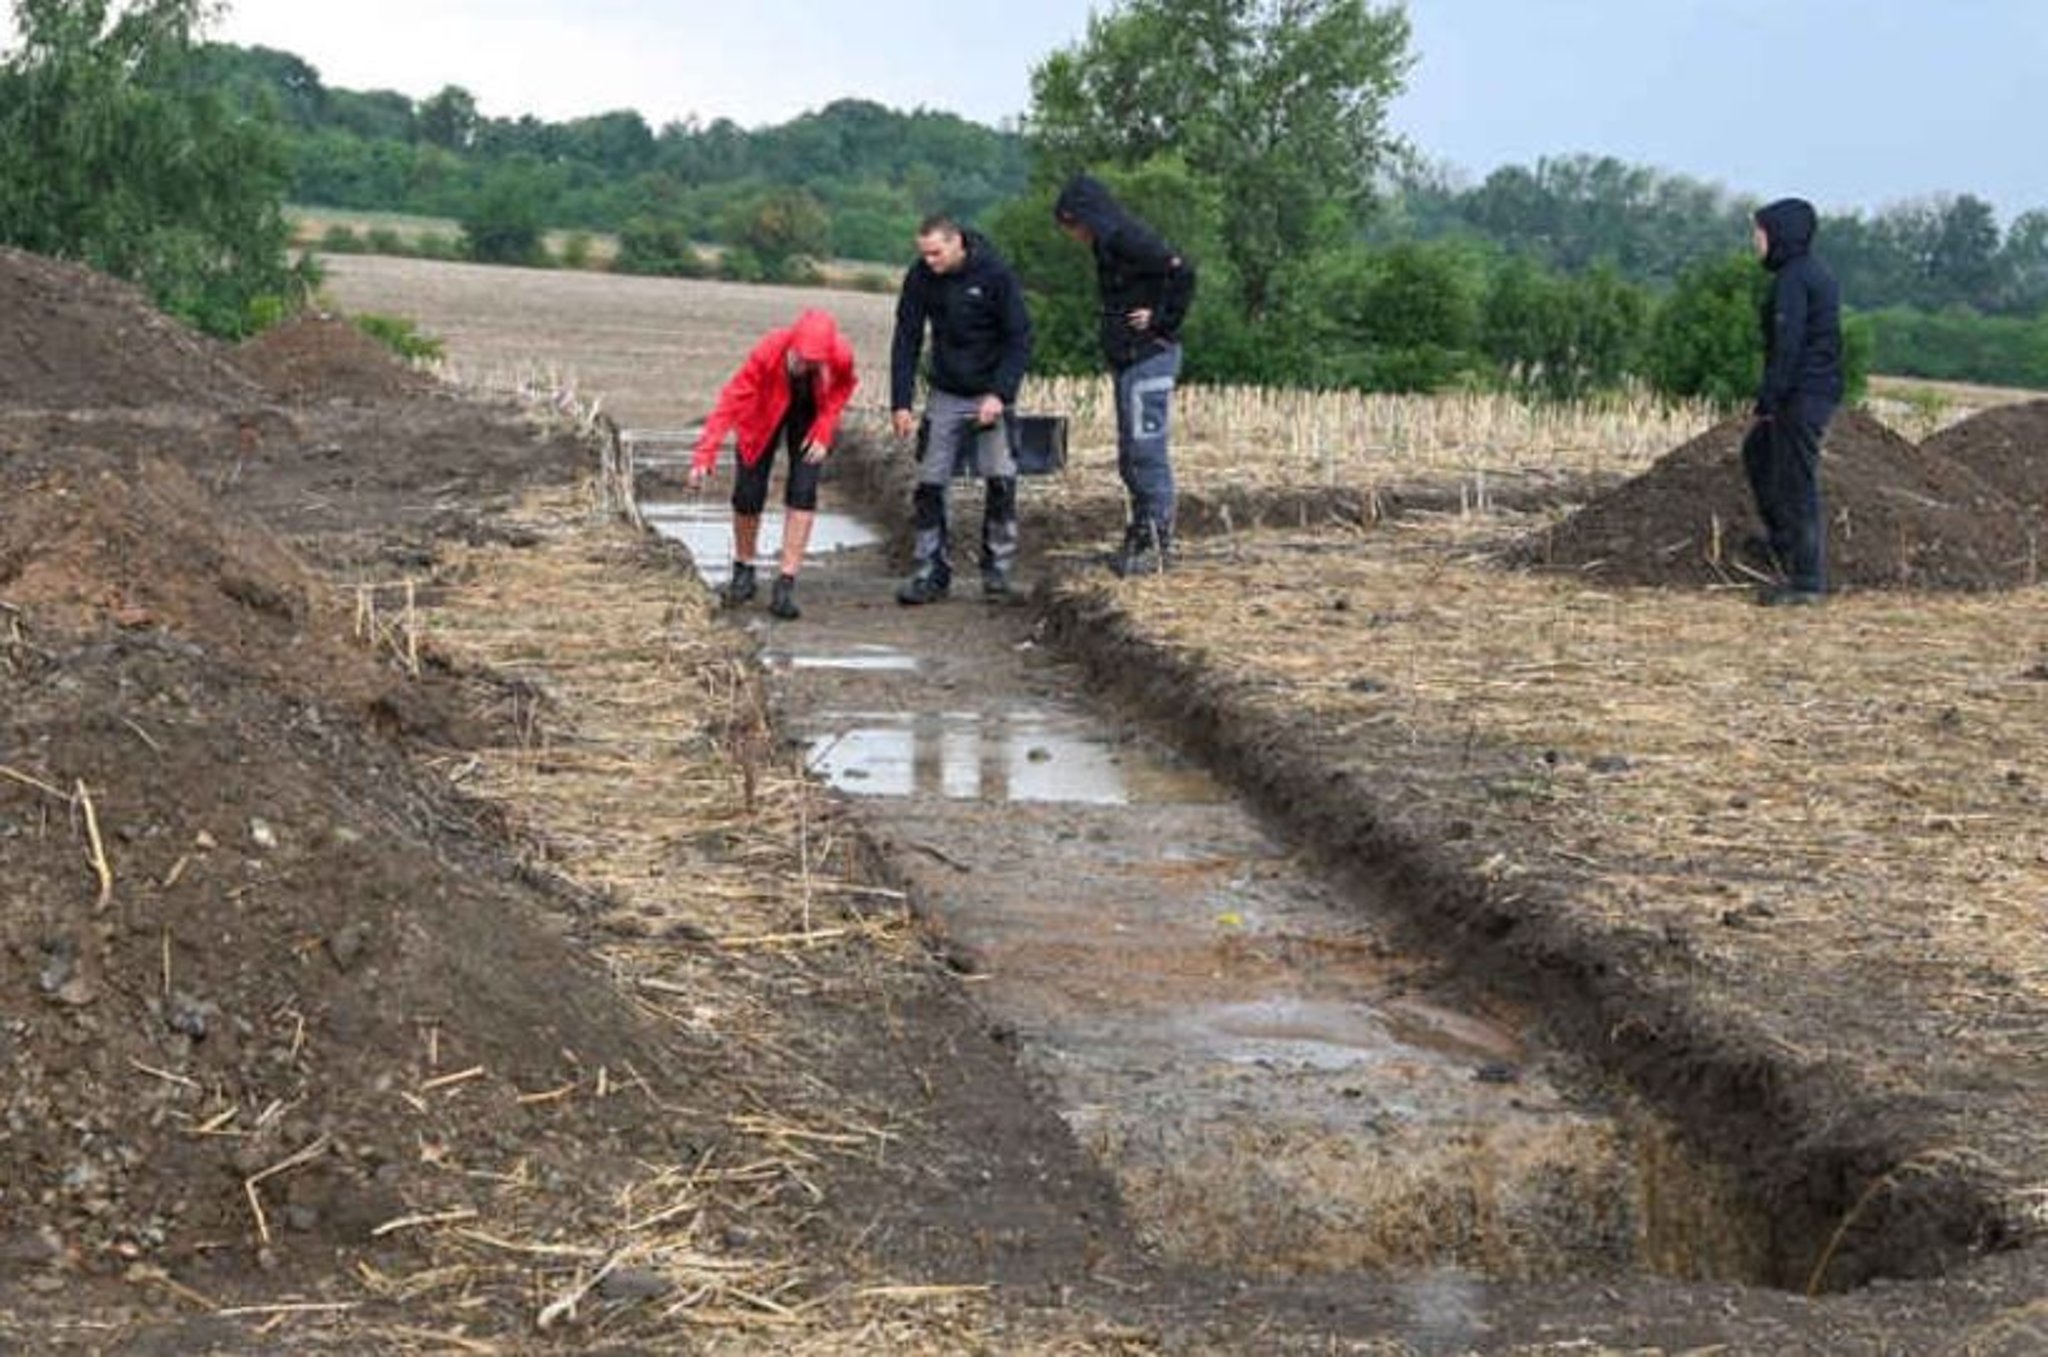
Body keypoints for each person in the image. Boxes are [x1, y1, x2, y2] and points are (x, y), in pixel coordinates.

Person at [1053, 174, 1197, 576]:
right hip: (1127, 358)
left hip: (1150, 356)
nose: (1073, 235)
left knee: (1147, 452)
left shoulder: (1128, 238)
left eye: (1073, 225)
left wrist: (1162, 319)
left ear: (1086, 216)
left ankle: (1157, 542)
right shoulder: (1105, 242)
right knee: (1130, 454)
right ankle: (1139, 535)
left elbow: (1183, 272)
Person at [889, 214, 1034, 604]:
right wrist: (901, 402)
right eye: (924, 254)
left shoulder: (995, 274)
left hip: (991, 390)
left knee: (1001, 479)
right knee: (930, 483)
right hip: (946, 390)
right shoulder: (920, 277)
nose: (929, 261)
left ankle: (997, 572)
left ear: (957, 244)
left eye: (936, 253)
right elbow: (906, 337)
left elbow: (1020, 338)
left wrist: (999, 394)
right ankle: (931, 572)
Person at [688, 309, 858, 621]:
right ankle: (744, 569)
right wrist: (705, 453)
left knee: (803, 491)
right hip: (762, 412)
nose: (804, 367)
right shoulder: (769, 350)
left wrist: (825, 426)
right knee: (748, 494)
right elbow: (731, 400)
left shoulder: (840, 354)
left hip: (810, 416)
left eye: (813, 364)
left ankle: (785, 583)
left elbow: (843, 387)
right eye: (800, 360)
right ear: (792, 346)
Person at [1741, 197, 1843, 607]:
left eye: (1759, 231)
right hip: (1810, 390)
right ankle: (1783, 541)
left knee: (1796, 483)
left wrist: (1769, 398)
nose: (1755, 240)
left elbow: (1788, 344)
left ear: (1779, 234)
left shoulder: (1794, 280)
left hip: (1802, 394)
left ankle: (1807, 582)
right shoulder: (1811, 272)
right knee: (1758, 452)